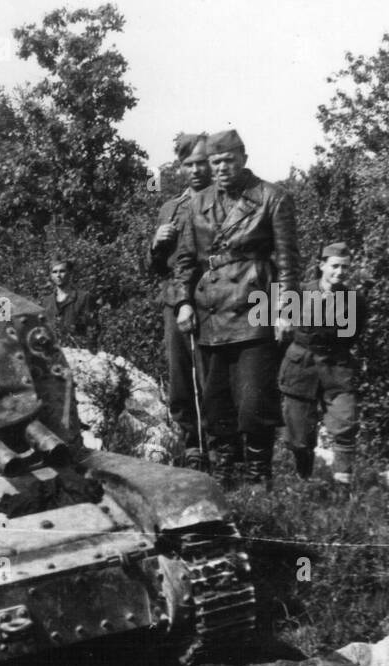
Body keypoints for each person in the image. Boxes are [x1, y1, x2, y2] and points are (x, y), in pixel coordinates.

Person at [173, 128, 299, 487]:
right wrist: (183, 302)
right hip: (210, 309)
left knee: (254, 399)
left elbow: (289, 261)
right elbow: (184, 261)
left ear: (243, 158)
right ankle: (226, 474)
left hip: (256, 303)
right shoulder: (198, 203)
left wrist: (285, 310)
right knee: (217, 402)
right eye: (216, 162)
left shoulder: (271, 197)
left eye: (228, 160)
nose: (222, 168)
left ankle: (259, 477)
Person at [279, 242, 367, 486]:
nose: (340, 272)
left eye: (345, 268)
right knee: (299, 437)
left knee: (345, 425)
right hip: (300, 366)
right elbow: (280, 330)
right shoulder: (298, 293)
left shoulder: (355, 300)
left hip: (337, 368)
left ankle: (342, 489)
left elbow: (355, 333)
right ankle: (303, 482)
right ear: (322, 266)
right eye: (335, 266)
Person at [151, 133, 212, 469]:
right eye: (189, 164)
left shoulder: (225, 203)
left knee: (212, 376)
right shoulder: (170, 208)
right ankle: (192, 446)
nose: (196, 169)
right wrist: (155, 244)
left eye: (202, 161)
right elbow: (156, 268)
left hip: (214, 300)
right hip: (174, 301)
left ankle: (218, 445)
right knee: (179, 378)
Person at [43, 259, 99, 351]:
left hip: (78, 351)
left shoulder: (84, 297)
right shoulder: (47, 301)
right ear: (51, 275)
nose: (58, 275)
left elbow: (92, 328)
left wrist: (89, 351)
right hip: (54, 351)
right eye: (54, 272)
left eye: (62, 271)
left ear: (70, 273)